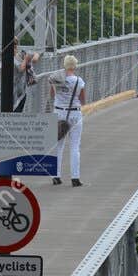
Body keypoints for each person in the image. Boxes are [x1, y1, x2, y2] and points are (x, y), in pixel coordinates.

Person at [46, 55, 87, 186]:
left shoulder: (56, 79)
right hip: (74, 113)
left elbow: (52, 95)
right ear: (74, 66)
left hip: (58, 112)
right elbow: (82, 100)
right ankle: (75, 178)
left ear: (64, 65)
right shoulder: (79, 81)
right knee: (75, 146)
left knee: (58, 146)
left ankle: (56, 176)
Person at [12, 44, 39, 113]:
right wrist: (26, 59)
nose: (15, 47)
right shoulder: (10, 59)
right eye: (14, 45)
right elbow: (21, 69)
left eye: (15, 45)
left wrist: (34, 58)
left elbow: (36, 54)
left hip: (22, 93)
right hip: (13, 95)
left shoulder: (19, 55)